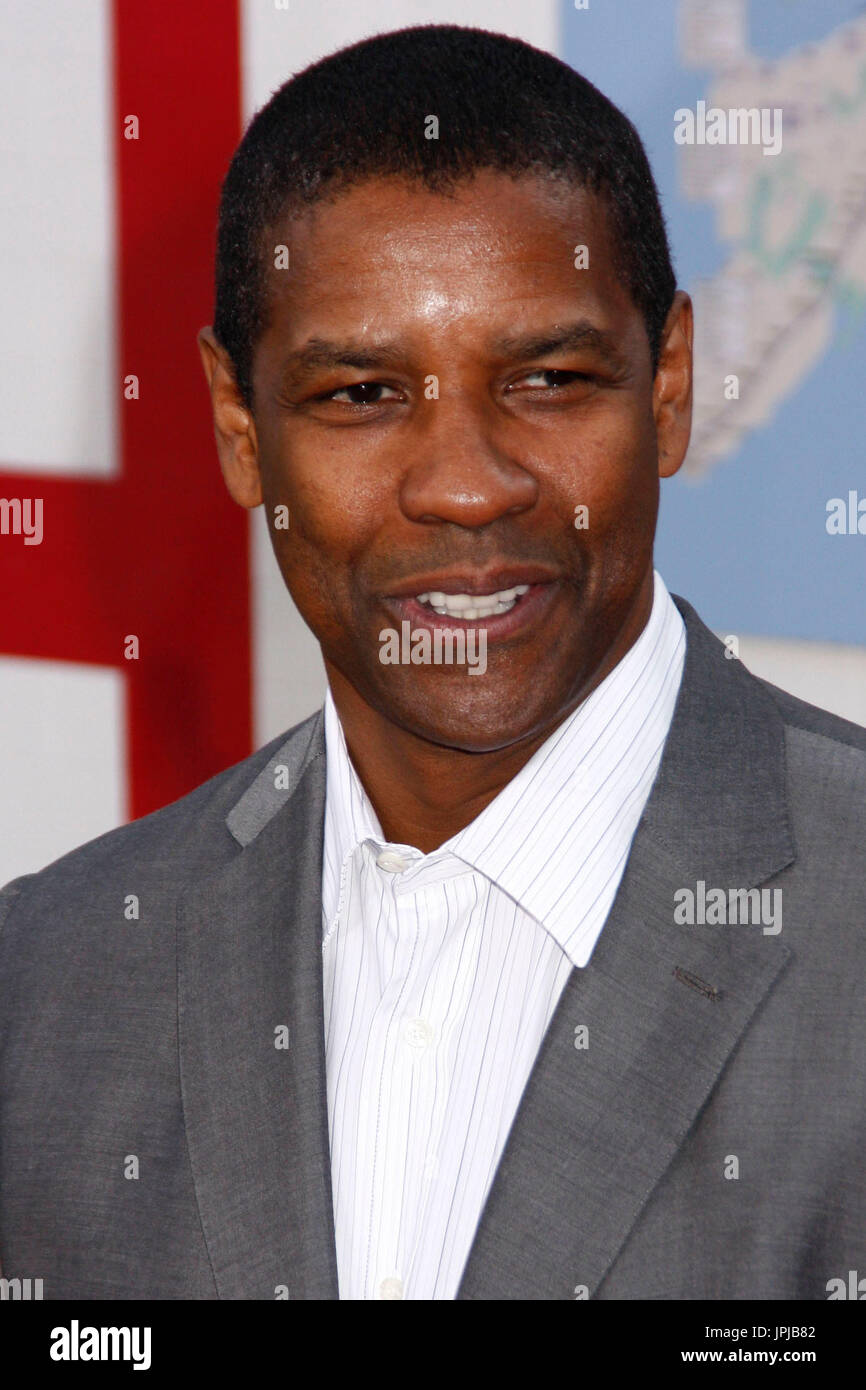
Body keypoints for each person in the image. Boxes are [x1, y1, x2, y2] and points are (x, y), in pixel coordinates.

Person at [1, 24, 864, 1302]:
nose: (465, 486)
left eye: (550, 379)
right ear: (240, 429)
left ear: (668, 385)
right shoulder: (46, 985)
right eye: (358, 394)